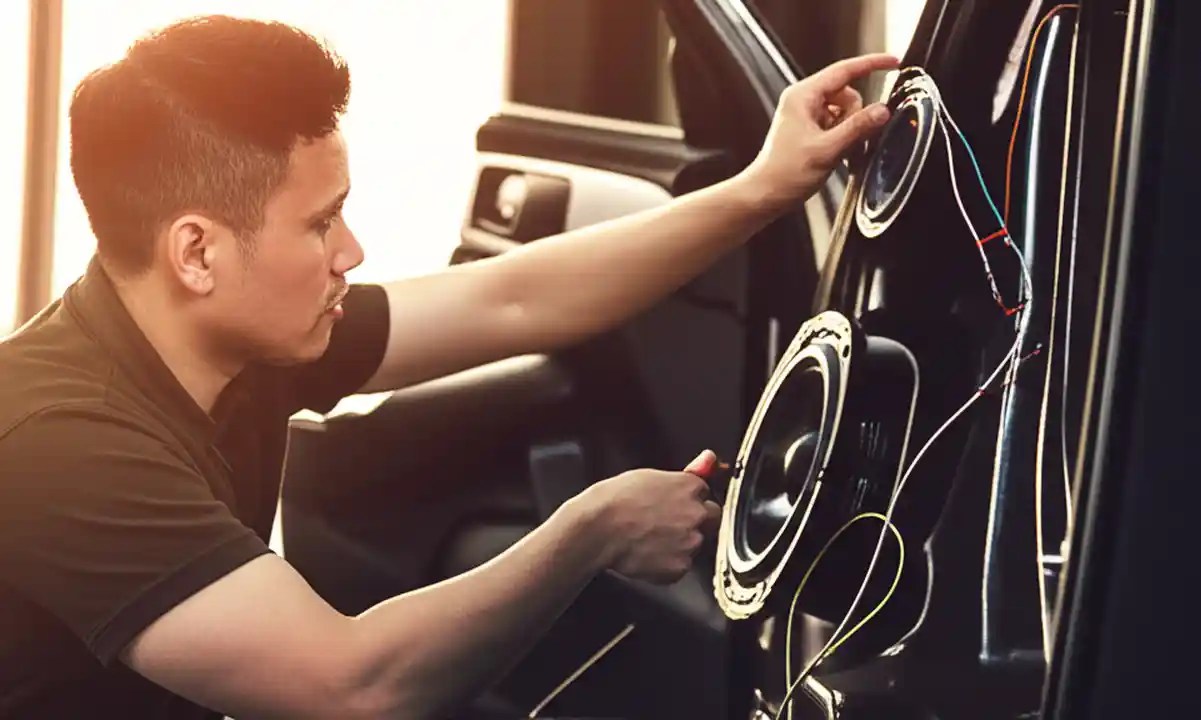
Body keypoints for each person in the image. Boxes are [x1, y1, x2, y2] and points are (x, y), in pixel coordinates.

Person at [0, 14, 896, 720]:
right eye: (319, 223)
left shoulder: (229, 337)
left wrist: (763, 187)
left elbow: (516, 302)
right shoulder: (54, 442)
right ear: (196, 253)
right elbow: (353, 687)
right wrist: (589, 532)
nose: (351, 250)